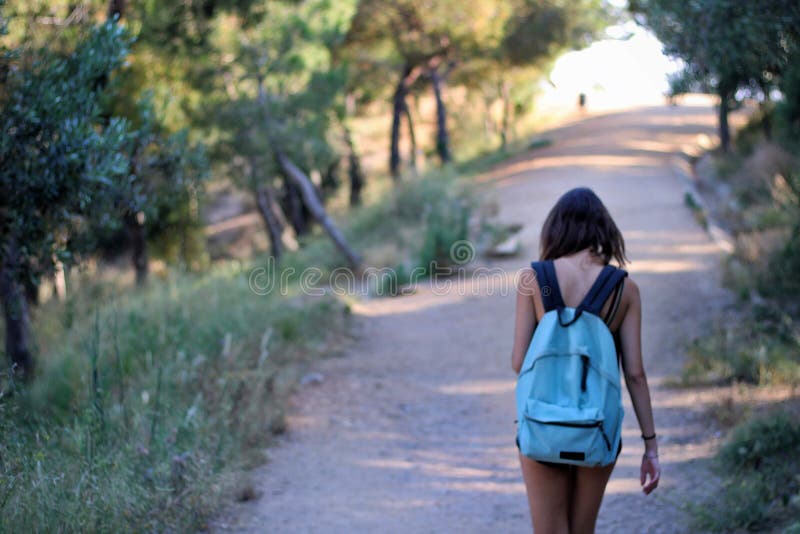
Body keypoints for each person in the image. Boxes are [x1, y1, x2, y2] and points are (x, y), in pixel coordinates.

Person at [510, 187, 660, 533]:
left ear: (556, 229)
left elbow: (519, 361)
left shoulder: (537, 280)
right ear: (604, 231)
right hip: (596, 424)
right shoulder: (625, 289)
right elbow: (635, 374)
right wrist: (650, 446)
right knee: (582, 530)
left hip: (543, 419)